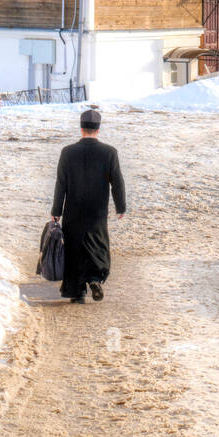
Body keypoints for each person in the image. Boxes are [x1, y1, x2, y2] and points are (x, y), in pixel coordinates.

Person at [51, 109, 127, 303]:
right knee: (98, 244)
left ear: (81, 128)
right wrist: (120, 206)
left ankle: (76, 292)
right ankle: (94, 278)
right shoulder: (109, 152)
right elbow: (117, 182)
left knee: (74, 248)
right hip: (97, 209)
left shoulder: (68, 152)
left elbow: (61, 184)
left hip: (73, 209)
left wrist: (56, 211)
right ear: (98, 129)